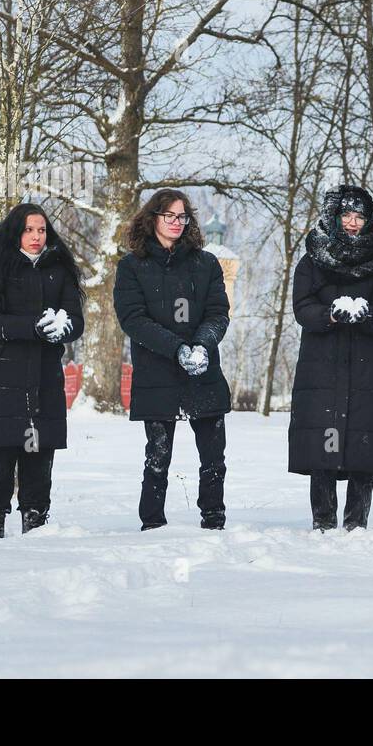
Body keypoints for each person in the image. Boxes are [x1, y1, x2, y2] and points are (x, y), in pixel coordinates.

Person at [114, 189, 232, 531]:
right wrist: (177, 349)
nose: (177, 222)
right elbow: (133, 319)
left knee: (213, 456)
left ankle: (214, 519)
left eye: (182, 216)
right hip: (157, 371)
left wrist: (201, 346)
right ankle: (152, 522)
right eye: (169, 216)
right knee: (157, 454)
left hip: (202, 371)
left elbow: (218, 313)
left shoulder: (205, 263)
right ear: (153, 219)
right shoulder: (132, 266)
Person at [0, 203, 84, 537]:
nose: (36, 237)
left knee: (38, 456)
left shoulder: (58, 269)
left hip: (43, 380)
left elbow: (75, 319)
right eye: (29, 229)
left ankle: (36, 526)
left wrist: (63, 328)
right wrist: (31, 326)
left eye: (42, 230)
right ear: (15, 231)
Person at [288, 185, 373, 531]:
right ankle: (322, 520)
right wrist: (330, 314)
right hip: (321, 367)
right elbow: (301, 307)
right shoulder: (311, 260)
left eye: (360, 217)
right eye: (347, 215)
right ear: (334, 217)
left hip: (366, 368)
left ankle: (356, 521)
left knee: (363, 444)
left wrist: (366, 315)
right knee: (323, 442)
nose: (353, 223)